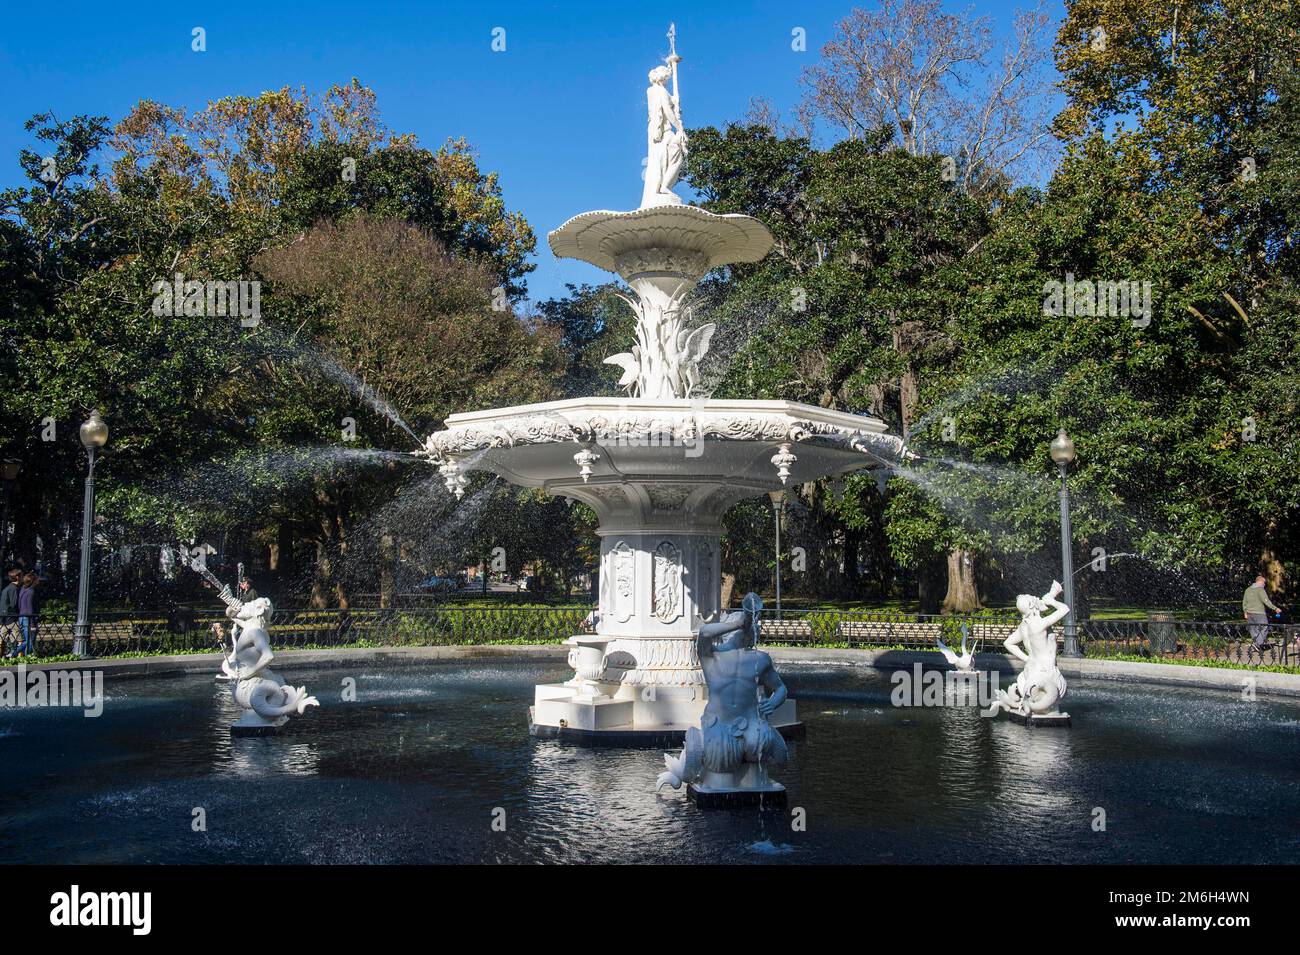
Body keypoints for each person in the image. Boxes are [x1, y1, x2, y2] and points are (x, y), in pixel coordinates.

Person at [1243, 575, 1282, 647]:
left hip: (1249, 613)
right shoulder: (1260, 590)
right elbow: (1266, 601)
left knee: (1253, 629)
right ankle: (1258, 644)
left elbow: (1244, 602)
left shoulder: (1248, 589)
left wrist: (1245, 612)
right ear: (1260, 581)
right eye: (1264, 582)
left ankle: (1255, 644)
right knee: (1264, 627)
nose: (1264, 584)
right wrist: (1275, 608)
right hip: (1259, 613)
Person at [10, 572, 38, 657]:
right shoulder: (31, 592)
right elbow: (30, 609)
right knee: (29, 641)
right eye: (36, 580)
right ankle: (14, 654)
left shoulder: (22, 589)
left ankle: (23, 656)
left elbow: (19, 604)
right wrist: (33, 624)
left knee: (26, 639)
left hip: (21, 617)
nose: (38, 581)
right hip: (28, 618)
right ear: (33, 581)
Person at [0, 569, 20, 654]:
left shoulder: (6, 588)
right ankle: (20, 662)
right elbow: (14, 604)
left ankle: (3, 658)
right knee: (20, 641)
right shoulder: (13, 589)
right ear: (17, 577)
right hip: (11, 619)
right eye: (21, 576)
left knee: (1, 640)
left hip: (3, 618)